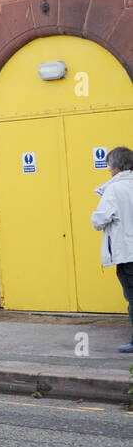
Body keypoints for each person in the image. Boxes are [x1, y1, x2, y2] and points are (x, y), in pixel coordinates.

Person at [91, 145, 133, 354]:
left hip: (128, 254)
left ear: (116, 167)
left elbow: (99, 220)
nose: (108, 171)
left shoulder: (114, 189)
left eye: (108, 167)